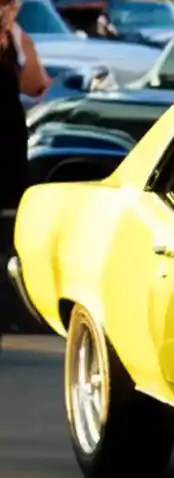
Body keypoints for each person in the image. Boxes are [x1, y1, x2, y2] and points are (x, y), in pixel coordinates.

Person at [1, 1, 49, 346]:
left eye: (12, 4)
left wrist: (19, 44)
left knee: (6, 232)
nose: (8, 10)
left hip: (8, 142)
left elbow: (35, 85)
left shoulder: (18, 40)